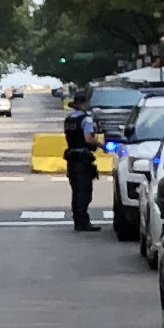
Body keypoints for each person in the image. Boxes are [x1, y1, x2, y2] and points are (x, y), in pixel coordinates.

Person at [63, 85, 100, 231]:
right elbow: (88, 139)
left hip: (71, 158)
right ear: (84, 104)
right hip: (83, 159)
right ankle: (83, 222)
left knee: (76, 191)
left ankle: (78, 220)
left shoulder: (69, 120)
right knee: (85, 191)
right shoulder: (87, 120)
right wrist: (99, 144)